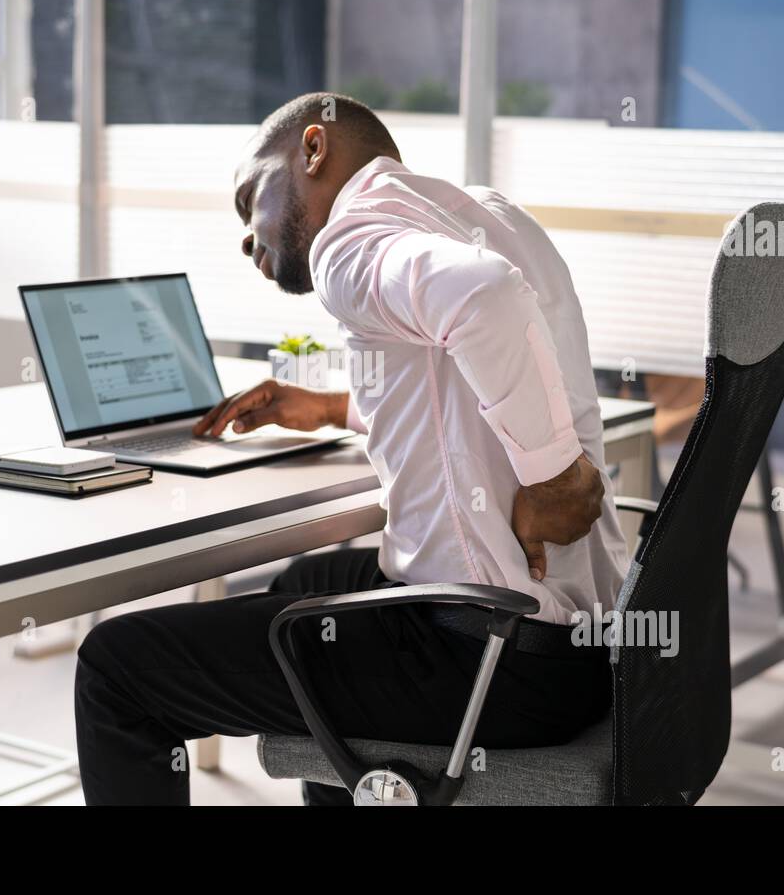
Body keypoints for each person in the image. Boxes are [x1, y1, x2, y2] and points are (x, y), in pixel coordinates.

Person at [74, 92, 628, 805]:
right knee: (304, 588)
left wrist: (555, 478)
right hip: (584, 653)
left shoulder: (347, 240)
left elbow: (485, 299)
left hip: (491, 664)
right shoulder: (484, 213)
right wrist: (334, 407)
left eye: (251, 200)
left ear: (313, 150)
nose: (247, 237)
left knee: (116, 669)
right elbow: (461, 372)